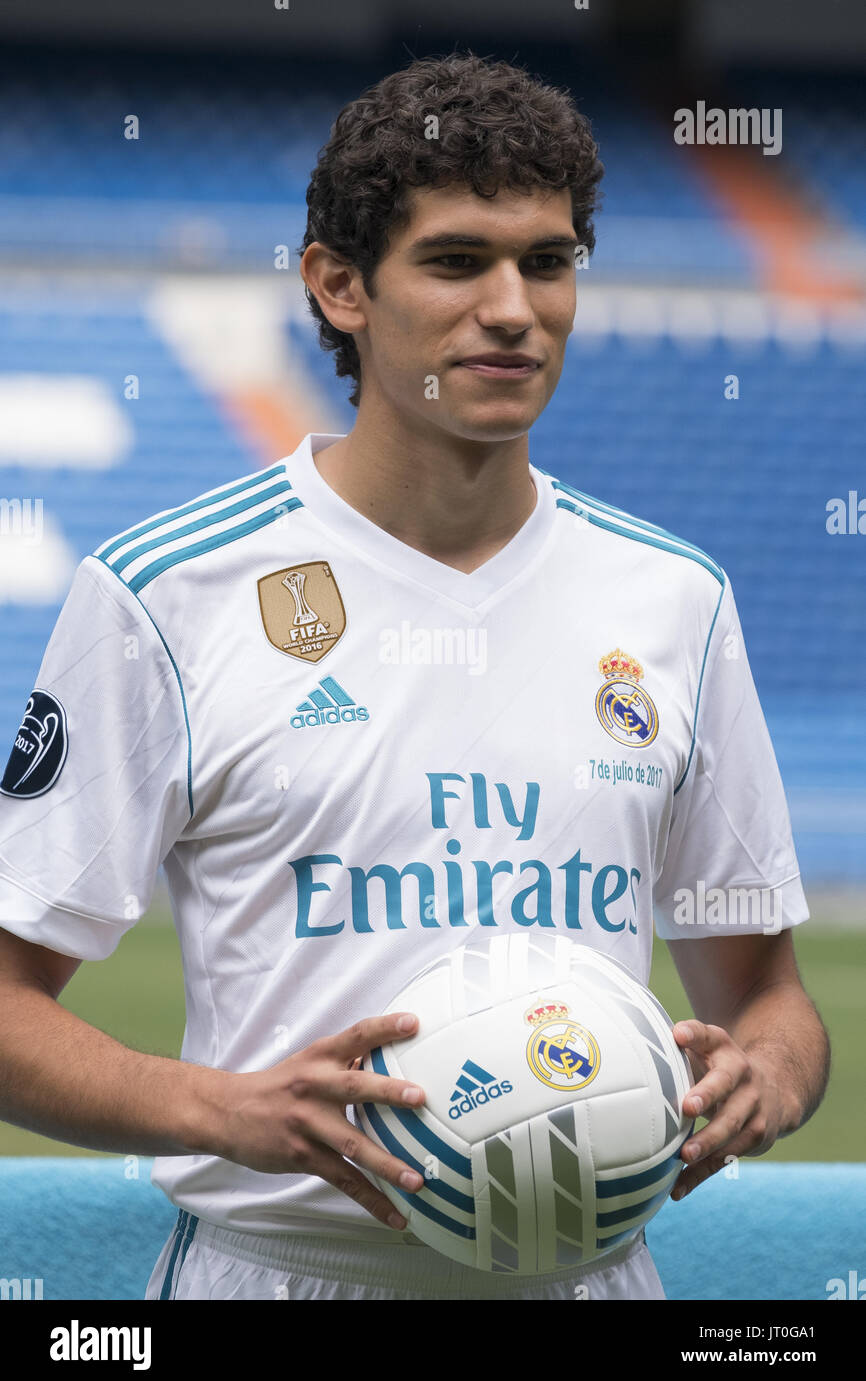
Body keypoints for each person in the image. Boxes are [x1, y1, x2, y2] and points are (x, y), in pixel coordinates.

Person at [0, 51, 829, 1301]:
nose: (511, 308)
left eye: (546, 262)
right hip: (280, 1270)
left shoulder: (674, 601)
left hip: (589, 1277)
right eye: (455, 261)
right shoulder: (166, 592)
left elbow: (764, 993)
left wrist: (765, 1072)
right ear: (339, 287)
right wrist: (222, 1108)